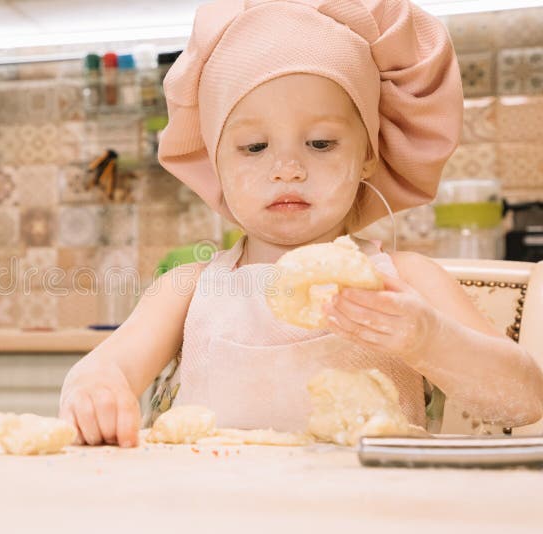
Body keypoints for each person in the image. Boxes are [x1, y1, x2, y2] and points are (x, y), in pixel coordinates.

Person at [59, 0, 543, 447]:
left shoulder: (406, 280)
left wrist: (429, 339)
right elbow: (108, 367)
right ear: (215, 162)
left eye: (320, 144)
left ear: (369, 154)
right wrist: (94, 386)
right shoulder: (188, 288)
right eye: (254, 147)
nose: (286, 168)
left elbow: (523, 401)